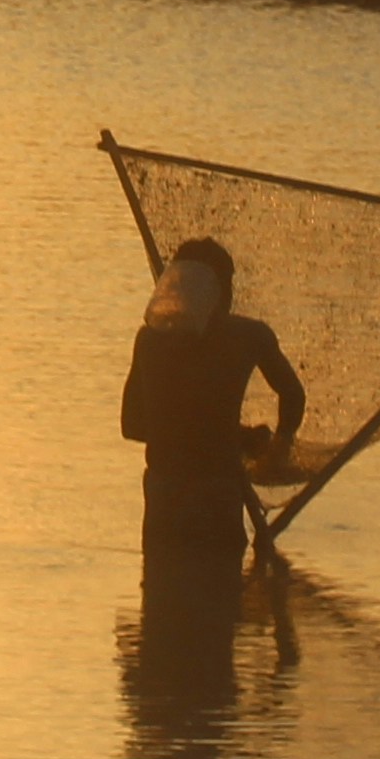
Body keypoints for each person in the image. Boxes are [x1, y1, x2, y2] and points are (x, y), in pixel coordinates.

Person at [118, 236, 304, 593]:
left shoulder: (149, 340)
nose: (232, 292)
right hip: (215, 494)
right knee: (218, 612)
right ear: (216, 289)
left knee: (163, 620)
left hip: (164, 496)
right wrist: (271, 443)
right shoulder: (249, 336)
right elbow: (293, 395)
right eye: (228, 283)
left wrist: (230, 434)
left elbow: (134, 426)